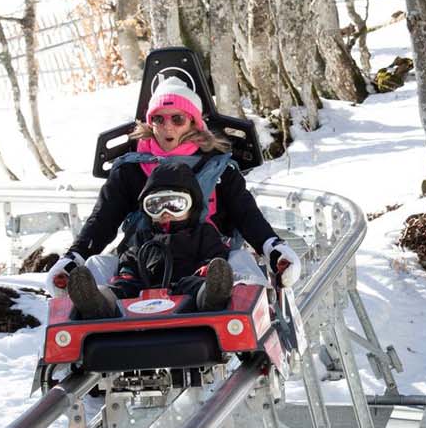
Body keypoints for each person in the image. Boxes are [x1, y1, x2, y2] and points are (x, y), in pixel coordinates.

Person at [55, 74, 301, 313]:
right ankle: (98, 304)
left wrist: (272, 247)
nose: (167, 127)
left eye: (177, 119)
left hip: (206, 260)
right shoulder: (130, 169)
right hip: (144, 262)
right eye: (159, 120)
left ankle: (225, 302)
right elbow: (102, 221)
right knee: (98, 266)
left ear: (193, 122)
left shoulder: (218, 169)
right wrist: (74, 258)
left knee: (239, 263)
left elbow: (247, 216)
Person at [66, 162, 235, 319]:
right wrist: (127, 275)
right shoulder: (142, 236)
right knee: (121, 289)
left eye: (176, 204)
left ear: (192, 207)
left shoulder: (203, 233)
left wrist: (207, 271)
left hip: (185, 288)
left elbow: (215, 255)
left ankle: (212, 295)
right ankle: (97, 301)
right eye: (156, 206)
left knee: (194, 284)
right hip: (141, 291)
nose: (166, 212)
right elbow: (130, 258)